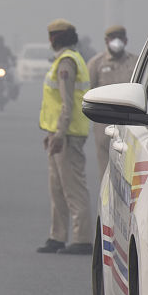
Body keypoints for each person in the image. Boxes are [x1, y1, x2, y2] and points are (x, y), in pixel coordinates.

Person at [36, 18, 92, 255]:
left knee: (72, 188)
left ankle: (82, 239)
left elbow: (67, 104)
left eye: (51, 36)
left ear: (56, 38)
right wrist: (52, 133)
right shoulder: (64, 60)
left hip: (67, 134)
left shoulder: (67, 62)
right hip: (58, 133)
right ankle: (57, 236)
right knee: (57, 188)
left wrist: (59, 133)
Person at [86, 25, 138, 180]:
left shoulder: (135, 62)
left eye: (120, 38)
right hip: (104, 125)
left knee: (129, 171)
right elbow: (87, 92)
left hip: (131, 123)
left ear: (126, 40)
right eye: (112, 38)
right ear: (106, 41)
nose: (116, 41)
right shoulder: (96, 64)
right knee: (106, 171)